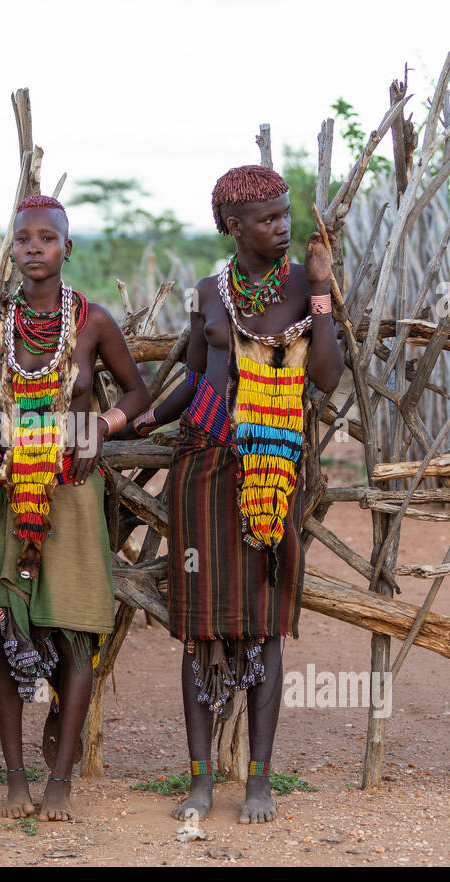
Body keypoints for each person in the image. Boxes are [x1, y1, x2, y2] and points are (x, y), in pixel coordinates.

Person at [131, 165, 343, 824]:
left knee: (265, 625)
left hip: (272, 470)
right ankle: (198, 780)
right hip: (203, 465)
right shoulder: (208, 292)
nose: (282, 227)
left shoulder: (308, 287)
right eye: (268, 219)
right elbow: (198, 377)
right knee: (200, 628)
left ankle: (259, 780)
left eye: (284, 215)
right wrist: (145, 420)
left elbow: (328, 378)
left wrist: (324, 296)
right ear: (233, 226)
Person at [0, 195, 149, 821]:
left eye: (46, 238)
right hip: (6, 491)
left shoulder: (92, 323)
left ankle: (60, 778)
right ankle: (15, 778)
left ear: (68, 248)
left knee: (74, 630)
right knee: (7, 626)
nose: (33, 248)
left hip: (69, 489)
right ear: (10, 248)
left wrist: (103, 429)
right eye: (22, 239)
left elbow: (138, 393)